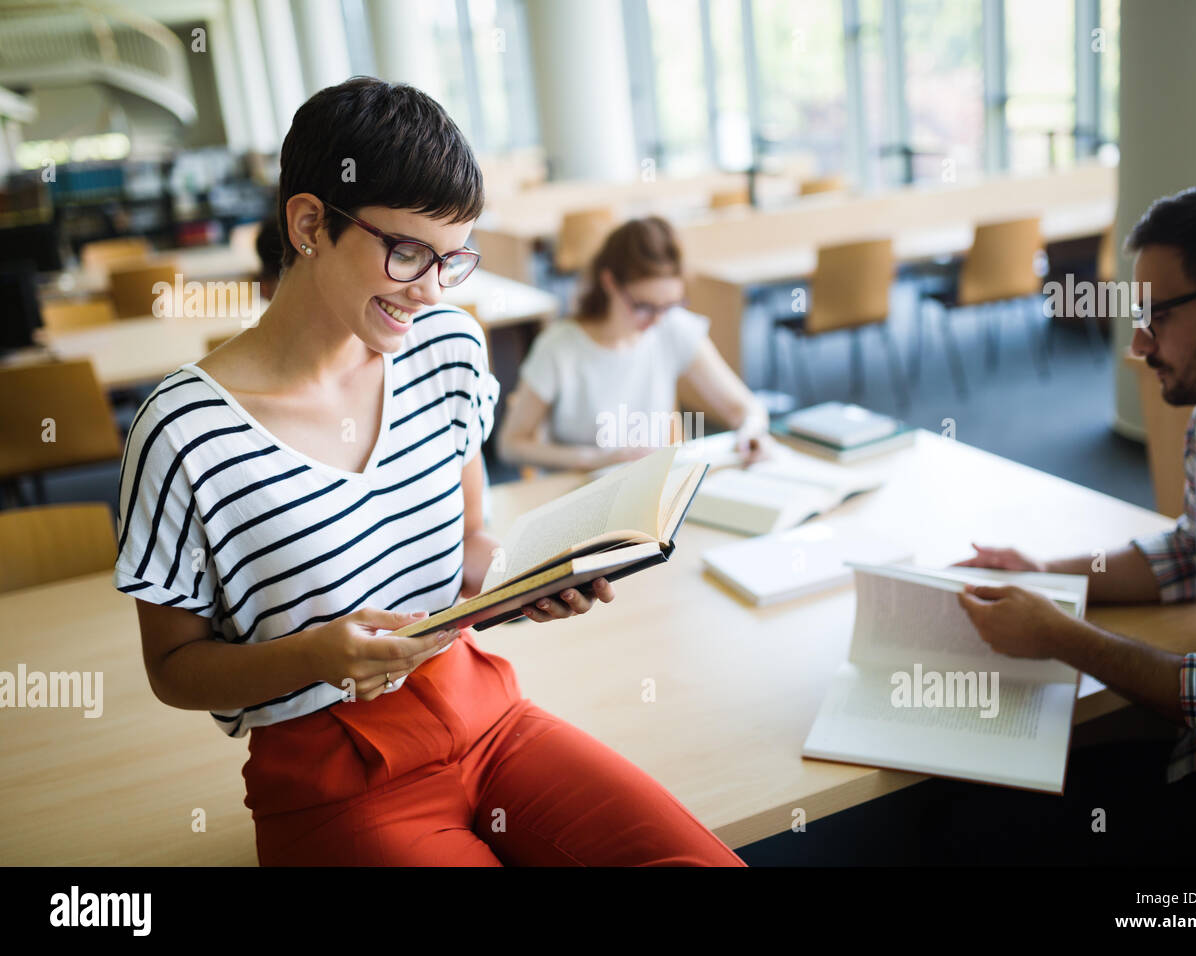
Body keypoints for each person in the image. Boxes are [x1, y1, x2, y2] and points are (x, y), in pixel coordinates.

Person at [114, 77, 743, 867]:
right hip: (331, 774)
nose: (430, 290)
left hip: (484, 713)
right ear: (310, 223)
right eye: (408, 252)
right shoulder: (184, 431)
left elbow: (470, 545)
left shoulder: (447, 349)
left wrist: (528, 580)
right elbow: (173, 669)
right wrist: (316, 655)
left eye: (453, 260)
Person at [945, 179, 1196, 864]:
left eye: (1156, 315)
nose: (1139, 344)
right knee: (971, 814)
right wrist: (1044, 573)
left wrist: (1065, 637)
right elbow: (1195, 553)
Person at [497, 216, 775, 472]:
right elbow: (510, 444)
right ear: (609, 283)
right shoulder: (559, 348)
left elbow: (746, 408)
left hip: (652, 489)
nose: (657, 319)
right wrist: (594, 459)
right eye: (644, 306)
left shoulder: (672, 326)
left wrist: (752, 431)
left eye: (669, 305)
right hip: (582, 490)